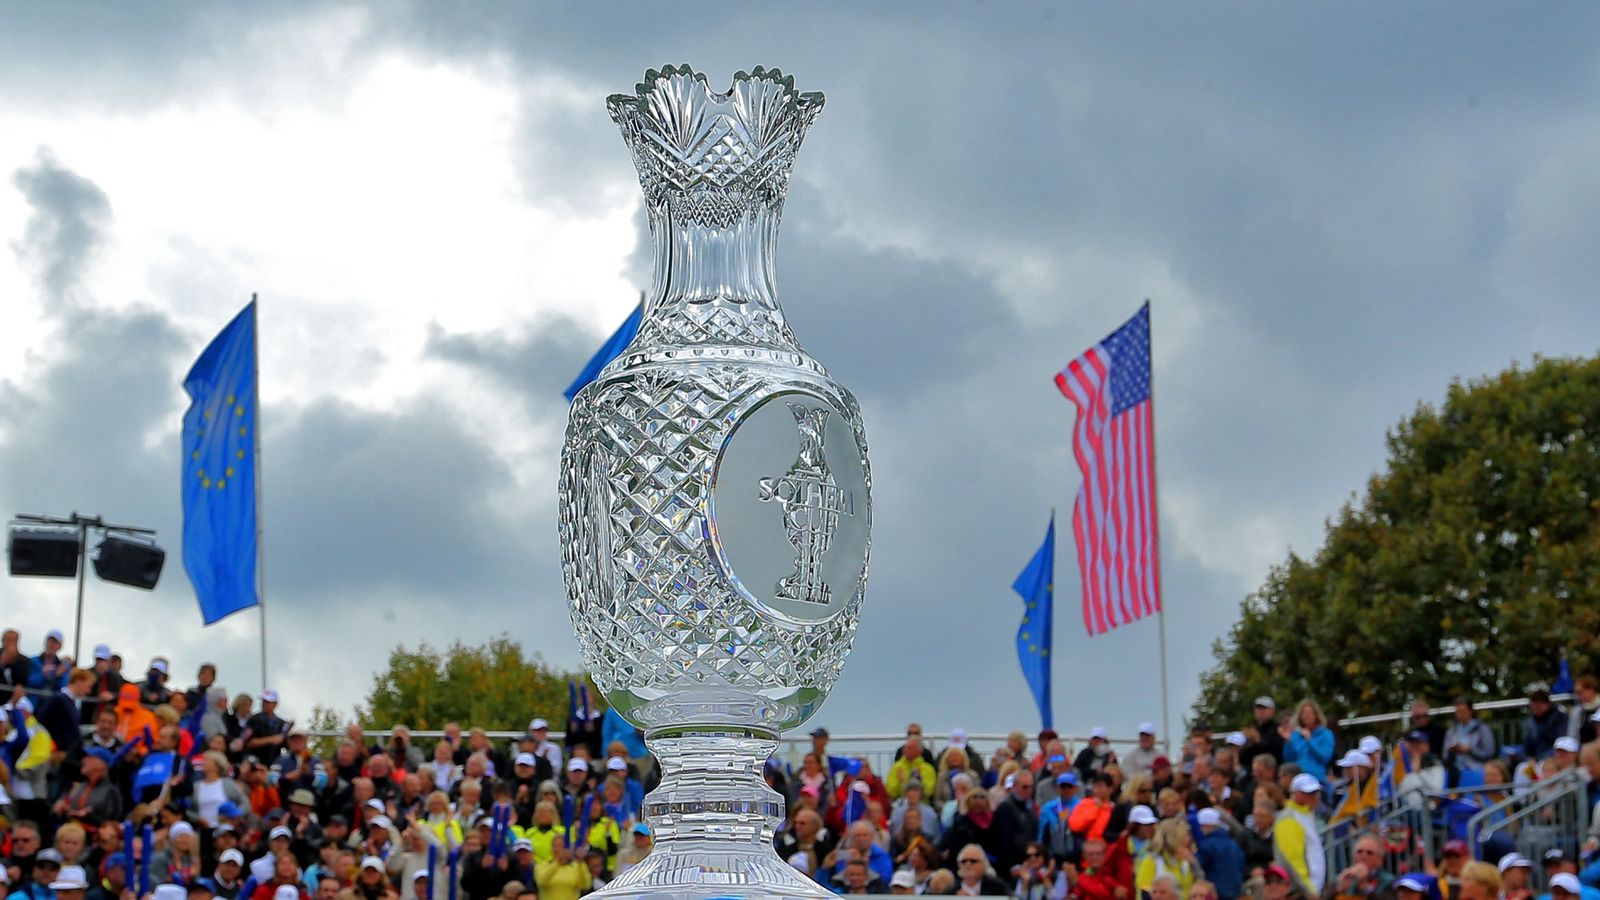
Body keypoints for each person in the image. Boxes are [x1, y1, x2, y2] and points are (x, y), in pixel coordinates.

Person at [1272, 773, 1325, 897]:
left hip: (1312, 888)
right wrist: (1309, 891)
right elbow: (1293, 860)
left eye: (1316, 792)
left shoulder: (1306, 815)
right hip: (1299, 892)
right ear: (1295, 793)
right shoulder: (1289, 819)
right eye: (1308, 793)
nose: (1314, 797)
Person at [1134, 818, 1199, 899]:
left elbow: (1198, 888)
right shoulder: (1152, 860)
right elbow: (1143, 892)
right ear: (1173, 838)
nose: (1188, 839)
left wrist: (1194, 863)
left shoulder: (1185, 860)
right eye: (1185, 835)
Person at [992, 769, 1038, 874]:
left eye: (1031, 787)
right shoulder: (1006, 807)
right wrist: (1011, 866)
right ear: (1014, 787)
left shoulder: (1029, 808)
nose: (1029, 790)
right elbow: (1004, 839)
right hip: (1013, 865)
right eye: (1025, 787)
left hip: (1028, 860)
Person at [1193, 808, 1243, 900]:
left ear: (1208, 825)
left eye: (1201, 826)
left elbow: (1198, 865)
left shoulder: (1207, 845)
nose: (1200, 829)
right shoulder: (1233, 843)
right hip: (1235, 892)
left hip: (1217, 893)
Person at [1326, 833, 1392, 900]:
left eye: (1369, 853)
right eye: (1359, 852)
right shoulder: (1342, 878)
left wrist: (1366, 888)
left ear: (1380, 860)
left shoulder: (1389, 882)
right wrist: (1339, 889)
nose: (1363, 856)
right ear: (1353, 856)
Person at [1283, 700, 1334, 784]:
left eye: (1309, 713)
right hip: (1297, 778)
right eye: (1303, 713)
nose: (1306, 716)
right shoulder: (1296, 734)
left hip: (1317, 779)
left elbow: (1325, 757)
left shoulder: (1326, 734)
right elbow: (1289, 760)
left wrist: (1310, 740)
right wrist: (1288, 743)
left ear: (1316, 715)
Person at [1442, 698, 1496, 774]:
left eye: (1463, 711)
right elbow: (1445, 755)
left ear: (1471, 711)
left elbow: (1489, 753)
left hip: (1477, 770)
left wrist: (1470, 750)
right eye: (1458, 711)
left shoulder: (1482, 729)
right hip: (1455, 771)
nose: (1460, 714)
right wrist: (1452, 751)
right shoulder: (1451, 731)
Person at [533, 835, 590, 900]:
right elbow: (542, 882)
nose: (562, 850)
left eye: (563, 847)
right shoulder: (542, 865)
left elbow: (586, 885)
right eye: (557, 846)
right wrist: (558, 862)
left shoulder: (577, 866)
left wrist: (581, 862)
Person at [1522, 689, 1567, 761]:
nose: (1534, 709)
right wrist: (1529, 757)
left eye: (1537, 706)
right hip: (1535, 757)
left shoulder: (1559, 717)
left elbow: (1560, 741)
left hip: (1551, 755)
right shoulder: (1531, 721)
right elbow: (1527, 743)